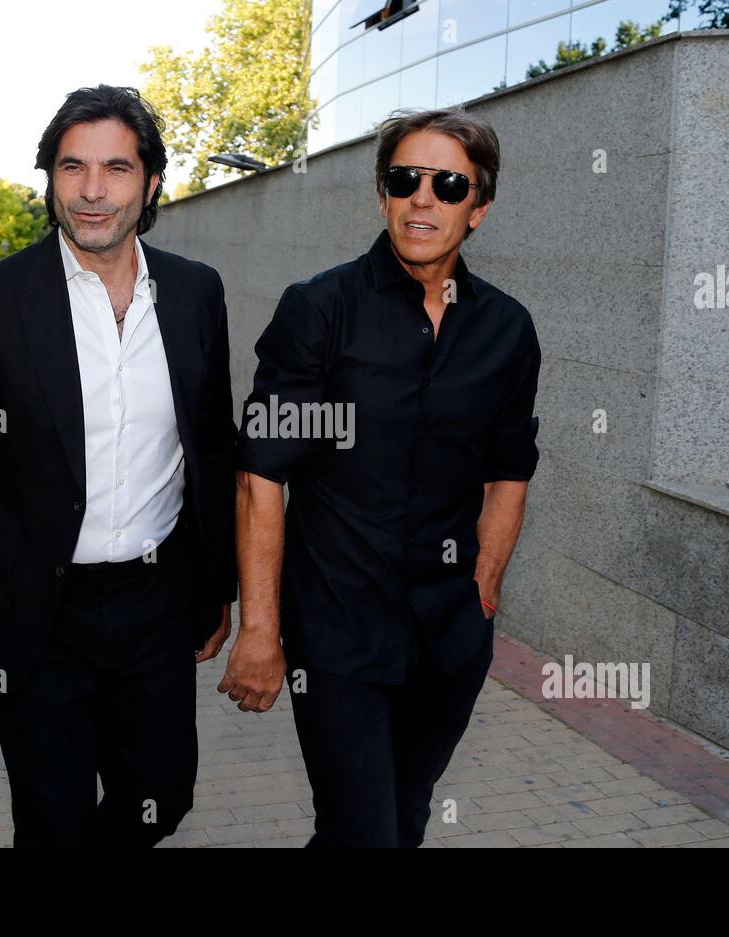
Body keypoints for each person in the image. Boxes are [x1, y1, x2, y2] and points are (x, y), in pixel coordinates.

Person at [0, 85, 237, 848]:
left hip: (157, 602)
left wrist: (219, 590)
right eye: (72, 167)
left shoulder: (195, 293)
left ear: (151, 183)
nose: (93, 190)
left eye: (117, 168)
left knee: (164, 793)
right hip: (37, 616)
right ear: (51, 180)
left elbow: (213, 449)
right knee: (52, 819)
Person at [223, 107, 542, 847]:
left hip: (447, 637)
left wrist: (484, 588)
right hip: (337, 633)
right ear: (383, 197)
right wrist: (261, 629)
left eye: (448, 184)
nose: (422, 197)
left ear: (479, 209)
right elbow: (261, 475)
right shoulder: (320, 310)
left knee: (397, 821)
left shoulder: (507, 330)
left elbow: (508, 471)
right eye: (405, 180)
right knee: (364, 830)